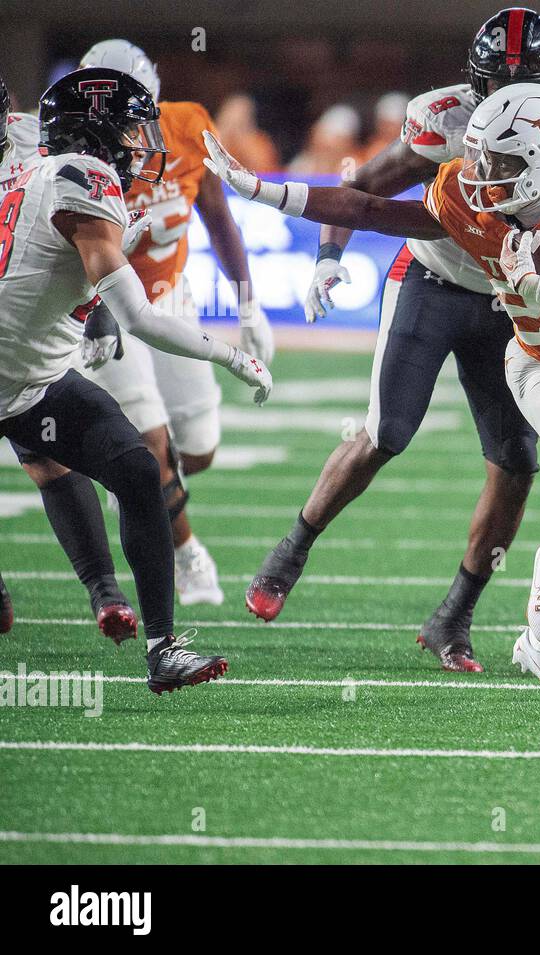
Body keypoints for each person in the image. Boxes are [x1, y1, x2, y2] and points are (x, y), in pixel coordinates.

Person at [205, 81, 540, 704]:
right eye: (481, 158)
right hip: (499, 329)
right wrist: (265, 191)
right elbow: (369, 204)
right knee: (389, 432)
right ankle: (292, 551)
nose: (481, 175)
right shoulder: (461, 175)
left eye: (502, 164)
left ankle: (488, 614)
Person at [0, 67, 271, 690]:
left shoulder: (27, 163)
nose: (143, 143)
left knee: (134, 468)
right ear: (96, 133)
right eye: (129, 128)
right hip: (22, 377)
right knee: (130, 466)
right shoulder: (83, 178)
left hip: (29, 375)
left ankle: (161, 645)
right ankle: (157, 641)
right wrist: (230, 355)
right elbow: (143, 320)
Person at [2, 73, 140, 641]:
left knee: (46, 457)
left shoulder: (33, 138)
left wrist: (97, 301)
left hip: (21, 323)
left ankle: (106, 593)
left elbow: (75, 217)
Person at [214, 93, 280, 172]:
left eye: (241, 119)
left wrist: (242, 140)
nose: (234, 121)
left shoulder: (259, 143)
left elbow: (265, 172)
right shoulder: (210, 137)